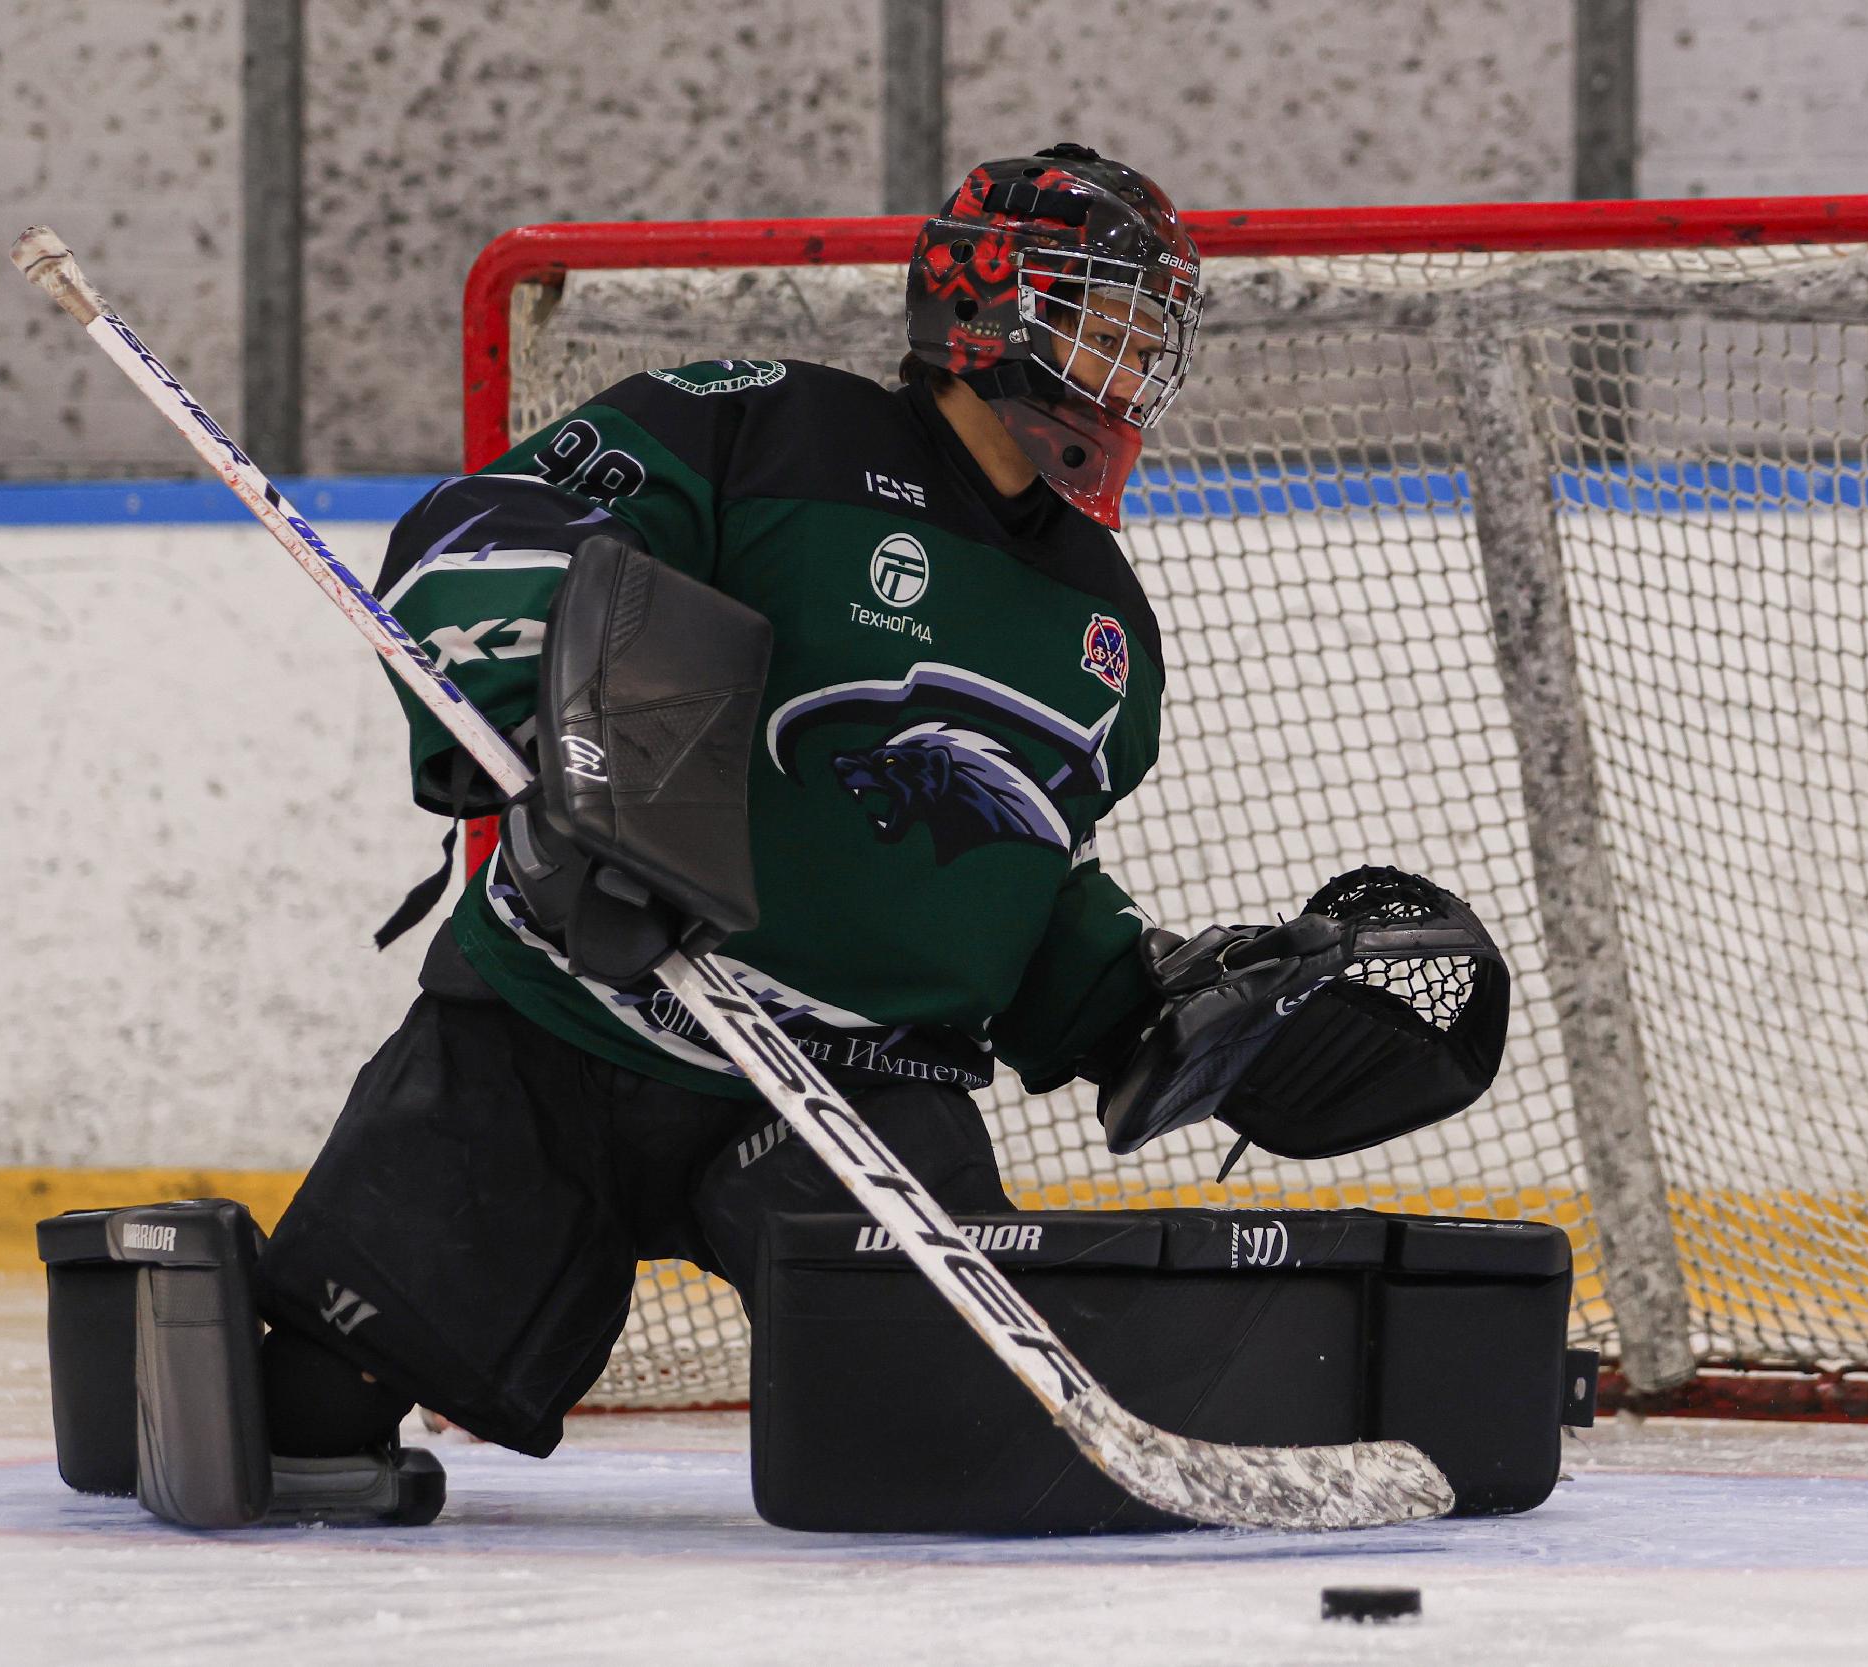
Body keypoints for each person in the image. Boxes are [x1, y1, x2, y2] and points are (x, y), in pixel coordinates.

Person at [248, 144, 1209, 1493]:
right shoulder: (764, 428)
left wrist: (1160, 1009)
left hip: (850, 1092)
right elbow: (488, 537)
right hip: (560, 1024)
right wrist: (566, 759)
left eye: (1149, 335)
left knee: (958, 1454)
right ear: (985, 301)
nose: (1133, 361)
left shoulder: (1107, 623)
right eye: (1103, 319)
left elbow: (1015, 877)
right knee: (300, 1418)